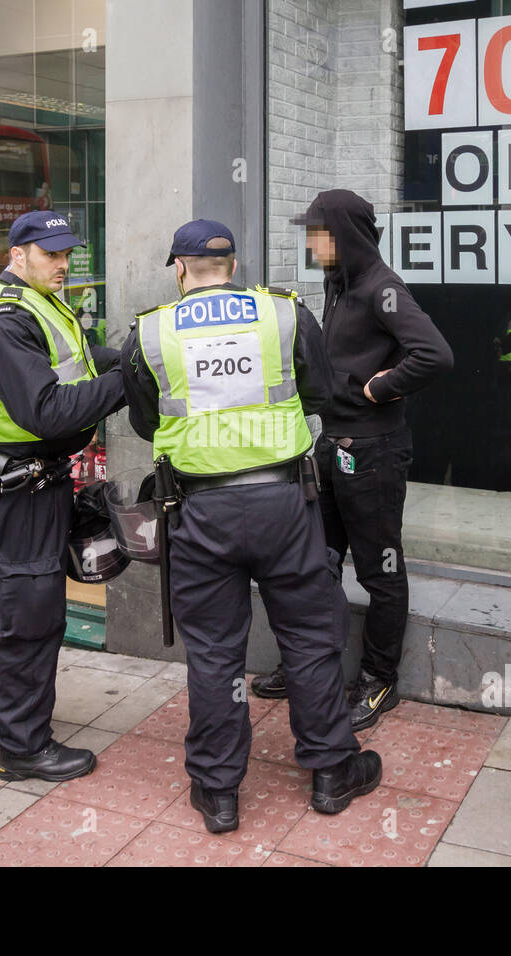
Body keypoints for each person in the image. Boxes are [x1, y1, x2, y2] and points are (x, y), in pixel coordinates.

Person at [122, 219, 381, 832]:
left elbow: (142, 420)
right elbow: (318, 395)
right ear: (233, 266)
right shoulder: (283, 315)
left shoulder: (151, 331)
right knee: (311, 639)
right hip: (285, 505)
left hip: (199, 510)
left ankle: (218, 793)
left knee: (214, 654)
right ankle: (330, 774)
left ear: (178, 268)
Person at [251, 189, 453, 730]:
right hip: (333, 445)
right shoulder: (338, 286)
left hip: (374, 451)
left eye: (318, 233)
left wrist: (378, 388)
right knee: (316, 561)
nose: (311, 243)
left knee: (380, 569)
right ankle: (307, 666)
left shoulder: (381, 288)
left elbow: (434, 354)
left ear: (343, 235)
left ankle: (378, 680)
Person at [0, 210, 125, 782]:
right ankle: (23, 747)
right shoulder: (4, 319)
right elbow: (46, 409)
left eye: (66, 252)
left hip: (30, 478)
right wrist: (127, 382)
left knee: (11, 596)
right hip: (17, 483)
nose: (62, 263)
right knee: (33, 612)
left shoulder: (39, 304)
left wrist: (133, 355)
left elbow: (76, 365)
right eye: (50, 253)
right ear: (17, 253)